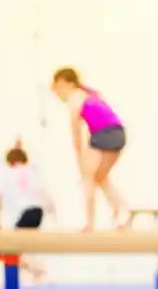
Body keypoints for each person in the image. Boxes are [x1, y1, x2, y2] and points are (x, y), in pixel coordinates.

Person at [51, 67, 129, 231]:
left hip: (104, 133)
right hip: (118, 133)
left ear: (66, 84)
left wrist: (79, 157)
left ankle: (90, 224)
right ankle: (121, 212)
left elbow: (76, 132)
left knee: (88, 179)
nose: (57, 93)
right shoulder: (88, 94)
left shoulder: (75, 98)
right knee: (100, 177)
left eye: (57, 88)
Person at [0, 141, 55, 281]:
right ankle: (36, 271)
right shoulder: (32, 170)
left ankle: (38, 270)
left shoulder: (6, 174)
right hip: (37, 212)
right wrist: (51, 208)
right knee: (20, 249)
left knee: (13, 248)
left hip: (27, 213)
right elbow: (43, 191)